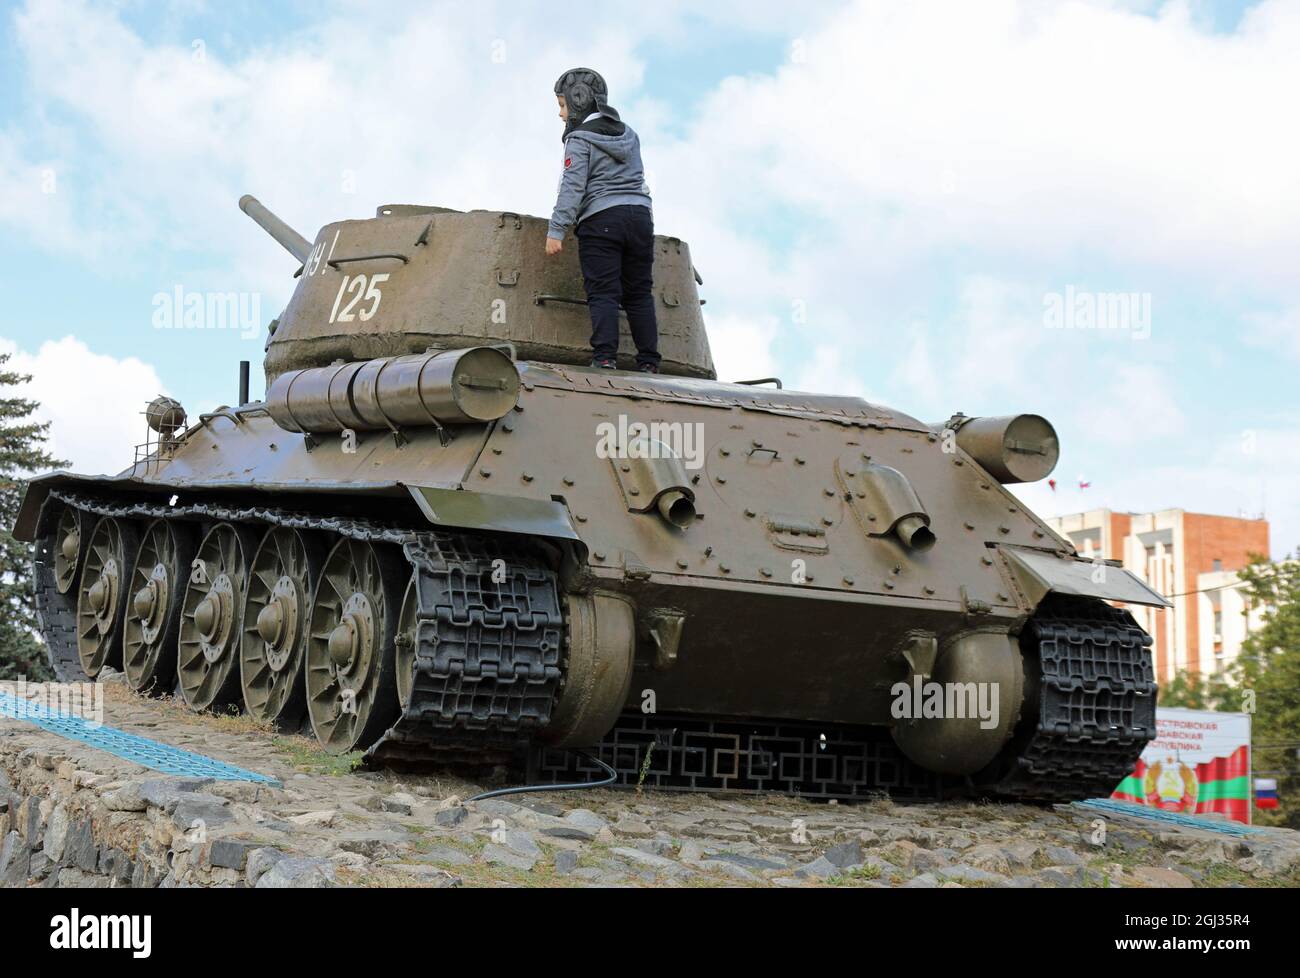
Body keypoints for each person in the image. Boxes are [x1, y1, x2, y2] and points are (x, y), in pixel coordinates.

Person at [545, 68, 660, 373]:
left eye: (562, 105)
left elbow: (573, 186)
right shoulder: (629, 133)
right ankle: (649, 361)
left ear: (578, 101)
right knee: (638, 293)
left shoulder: (580, 139)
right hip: (639, 218)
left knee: (604, 292)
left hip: (602, 218)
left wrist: (556, 230)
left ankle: (605, 358)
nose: (560, 114)